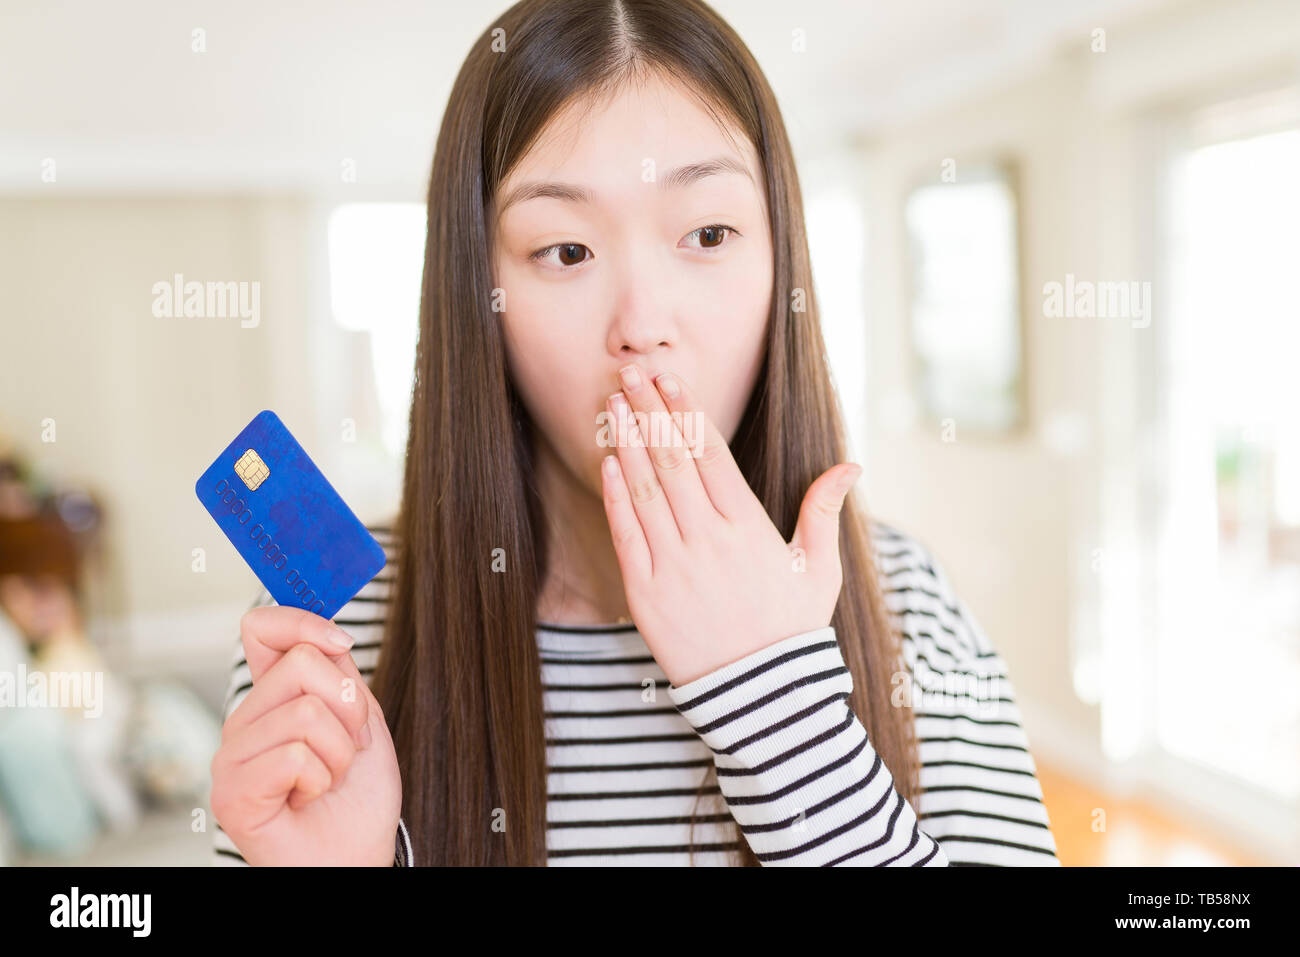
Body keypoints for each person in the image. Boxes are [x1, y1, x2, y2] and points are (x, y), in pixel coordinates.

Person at [210, 0, 1061, 867]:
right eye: (566, 251)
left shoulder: (907, 606)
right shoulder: (331, 644)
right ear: (479, 299)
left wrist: (776, 704)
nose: (642, 324)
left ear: (783, 262)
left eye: (708, 232)